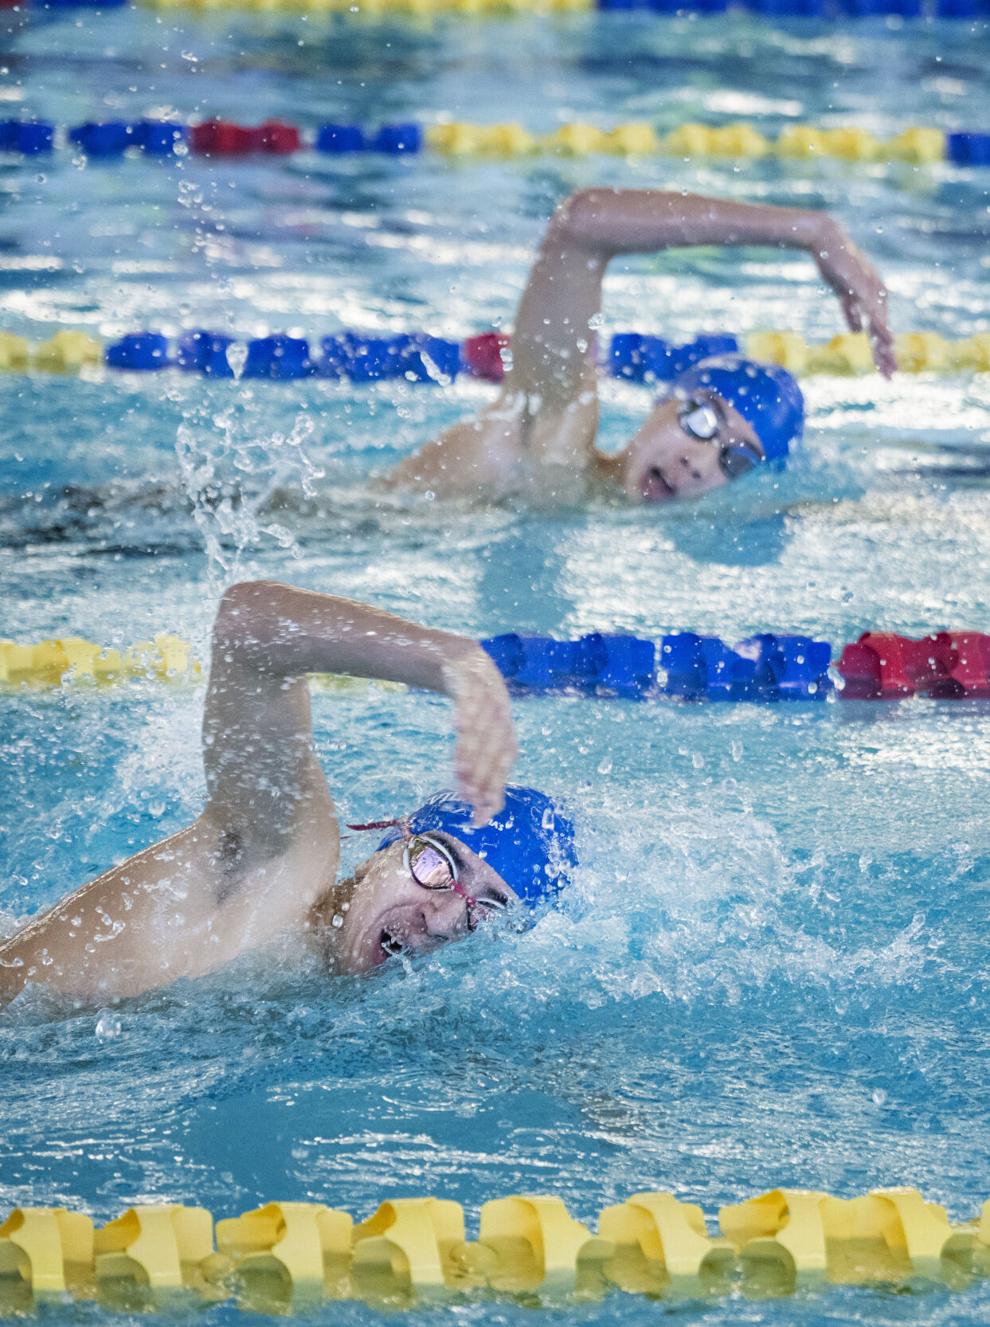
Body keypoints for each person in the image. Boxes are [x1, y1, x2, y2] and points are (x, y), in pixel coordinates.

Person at [0, 580, 575, 1006]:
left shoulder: (324, 991)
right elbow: (249, 626)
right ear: (386, 844)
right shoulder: (283, 865)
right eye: (436, 862)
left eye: (488, 909)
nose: (447, 917)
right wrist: (452, 660)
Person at [386, 187, 895, 504]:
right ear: (663, 401)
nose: (700, 461)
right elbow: (581, 224)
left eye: (735, 460)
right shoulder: (553, 431)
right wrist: (810, 230)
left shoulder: (594, 512)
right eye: (702, 420)